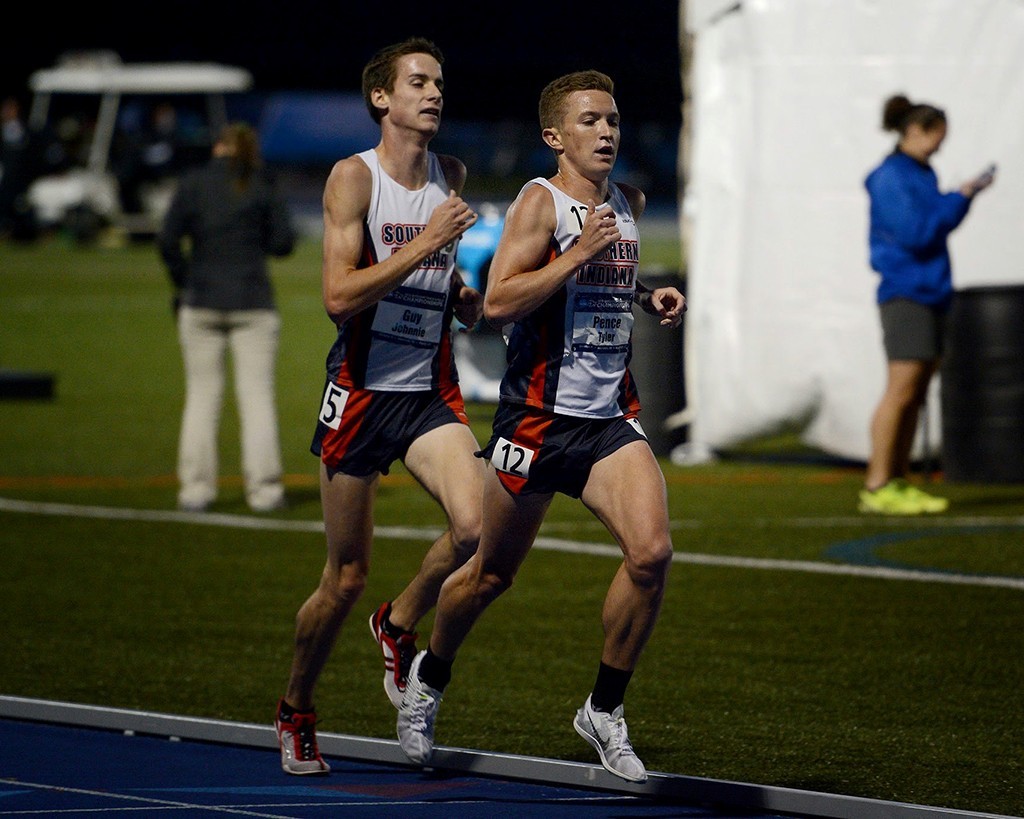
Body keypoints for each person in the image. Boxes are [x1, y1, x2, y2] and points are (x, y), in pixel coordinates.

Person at [396, 69, 685, 783]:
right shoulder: (540, 204)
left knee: (651, 555)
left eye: (613, 119)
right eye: (590, 121)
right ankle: (428, 679)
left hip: (610, 419)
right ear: (555, 136)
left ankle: (604, 709)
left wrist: (648, 297)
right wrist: (578, 253)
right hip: (536, 421)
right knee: (490, 574)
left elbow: (606, 282)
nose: (608, 132)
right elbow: (497, 302)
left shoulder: (630, 202)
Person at [274, 37, 485, 776]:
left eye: (438, 81)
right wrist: (425, 243)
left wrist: (465, 298)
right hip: (362, 393)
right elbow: (338, 297)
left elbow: (446, 285)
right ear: (381, 99)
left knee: (475, 527)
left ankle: (398, 625)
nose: (433, 93)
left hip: (428, 391)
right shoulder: (352, 180)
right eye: (417, 82)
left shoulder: (451, 175)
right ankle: (297, 707)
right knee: (344, 577)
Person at [859, 94, 995, 515]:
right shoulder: (890, 176)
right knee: (900, 390)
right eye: (936, 136)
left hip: (931, 291)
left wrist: (962, 196)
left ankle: (897, 481)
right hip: (907, 293)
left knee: (914, 392)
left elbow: (933, 224)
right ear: (913, 131)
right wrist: (960, 197)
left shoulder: (921, 172)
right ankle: (879, 483)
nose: (939, 146)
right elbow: (917, 234)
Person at [158, 122, 296, 514]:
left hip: (200, 300)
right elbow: (283, 243)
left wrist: (184, 280)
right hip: (253, 301)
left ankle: (195, 490)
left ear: (217, 145)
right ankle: (265, 492)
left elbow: (167, 241)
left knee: (202, 397)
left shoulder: (194, 182)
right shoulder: (261, 183)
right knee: (257, 398)